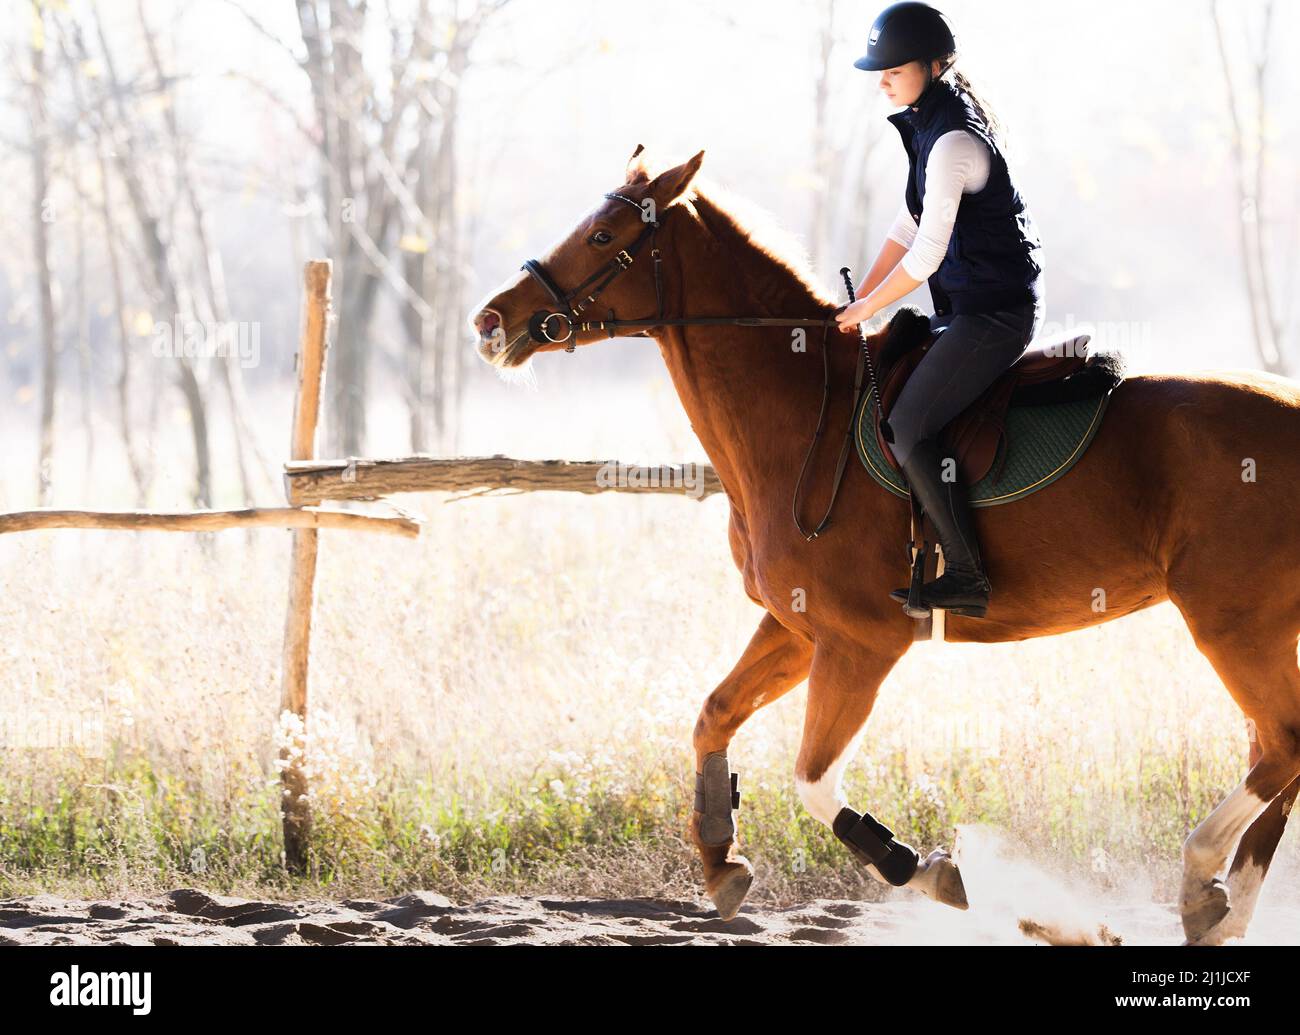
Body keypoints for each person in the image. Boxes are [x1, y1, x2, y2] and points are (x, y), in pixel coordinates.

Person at [835, 1, 1045, 620]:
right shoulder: (929, 128)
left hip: (995, 316)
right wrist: (857, 301)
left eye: (892, 70)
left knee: (907, 427)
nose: (883, 81)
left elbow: (925, 257)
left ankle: (967, 575)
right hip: (965, 311)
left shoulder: (952, 139)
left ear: (933, 66)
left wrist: (869, 307)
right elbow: (909, 224)